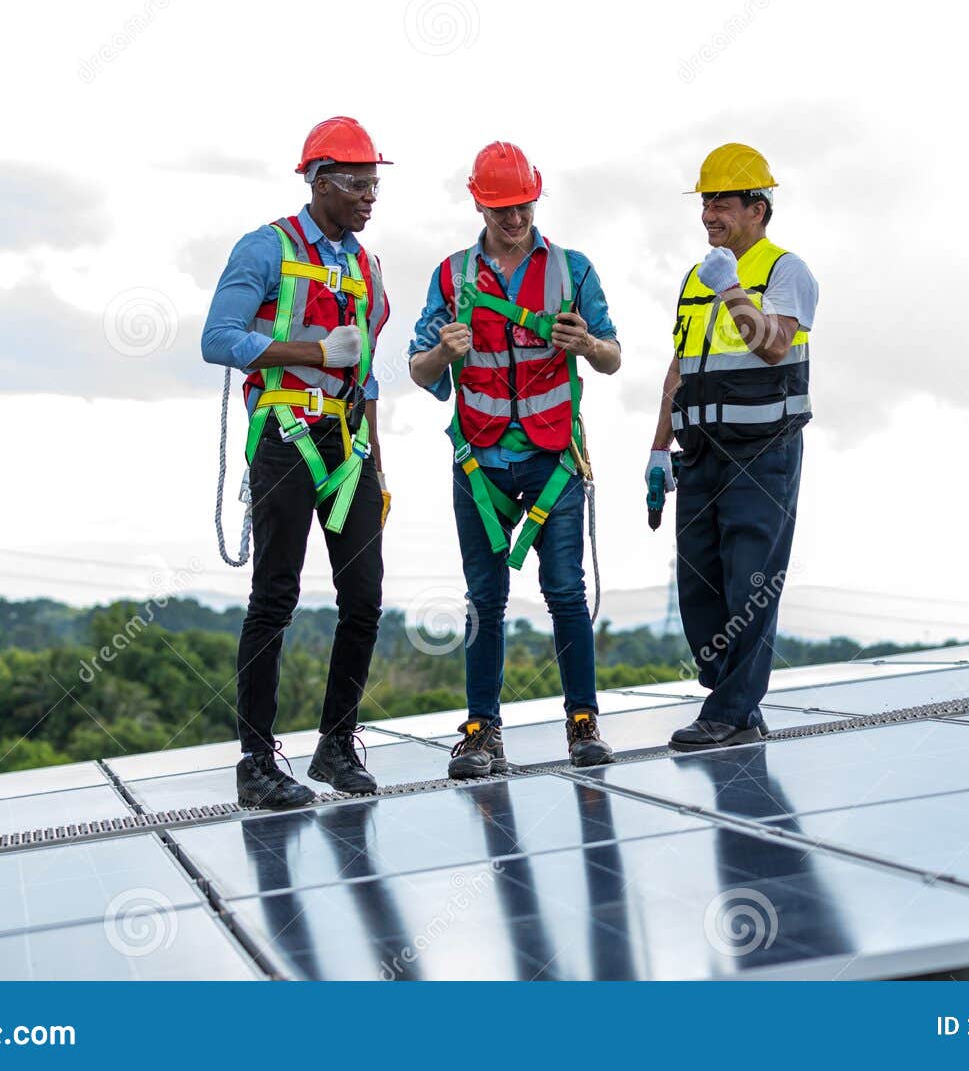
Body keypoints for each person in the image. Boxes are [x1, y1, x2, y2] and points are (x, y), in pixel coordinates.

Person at [408, 142, 621, 777]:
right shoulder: (452, 276)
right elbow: (419, 370)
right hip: (481, 463)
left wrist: (584, 341)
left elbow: (612, 356)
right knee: (484, 598)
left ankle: (583, 721)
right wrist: (443, 354)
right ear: (478, 202)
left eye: (523, 205)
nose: (515, 219)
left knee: (564, 591)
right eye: (502, 208)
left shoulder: (573, 269)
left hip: (554, 458)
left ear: (536, 197)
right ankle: (481, 732)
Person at [200, 116, 392, 808]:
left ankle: (336, 746)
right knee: (275, 596)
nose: (369, 197)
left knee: (365, 598)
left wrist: (376, 460)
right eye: (357, 184)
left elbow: (366, 369)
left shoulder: (367, 266)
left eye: (375, 184)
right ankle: (256, 761)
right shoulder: (266, 249)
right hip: (285, 437)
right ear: (319, 182)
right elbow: (217, 339)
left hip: (349, 444)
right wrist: (314, 355)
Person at [651, 142, 817, 750]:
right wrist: (657, 448)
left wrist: (734, 291)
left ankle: (730, 709)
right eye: (706, 202)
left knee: (751, 581)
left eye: (721, 201)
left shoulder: (784, 270)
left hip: (761, 454)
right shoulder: (698, 276)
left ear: (758, 207)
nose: (709, 214)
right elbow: (680, 366)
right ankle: (735, 704)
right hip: (699, 453)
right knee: (699, 588)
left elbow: (773, 346)